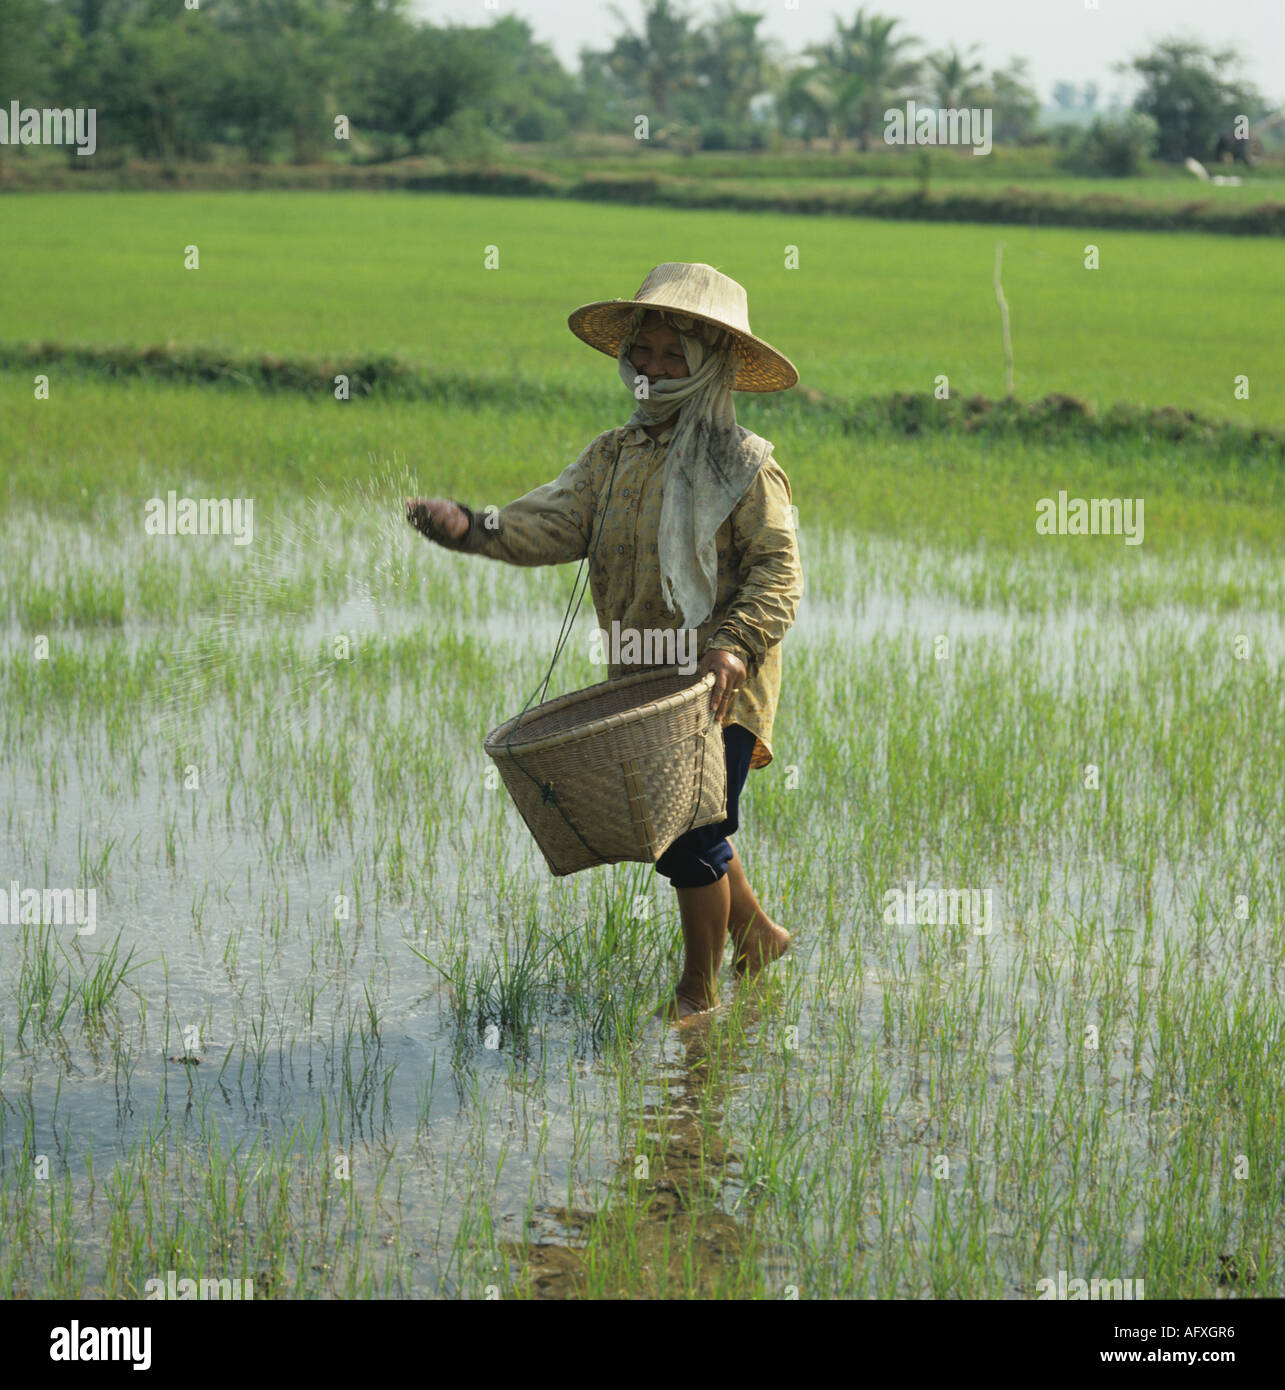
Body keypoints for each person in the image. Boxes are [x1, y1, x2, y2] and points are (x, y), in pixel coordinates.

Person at [407, 262, 803, 1023]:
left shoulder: (743, 464)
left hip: (718, 679)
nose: (651, 370)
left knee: (687, 836)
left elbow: (777, 572)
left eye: (670, 358)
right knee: (685, 819)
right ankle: (756, 936)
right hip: (642, 675)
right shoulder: (612, 455)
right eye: (642, 353)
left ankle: (698, 993)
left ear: (706, 368)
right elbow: (556, 523)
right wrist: (473, 526)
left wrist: (731, 645)